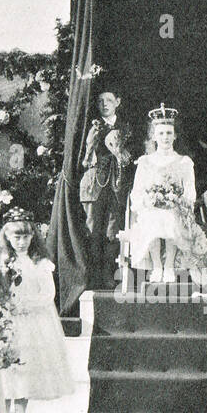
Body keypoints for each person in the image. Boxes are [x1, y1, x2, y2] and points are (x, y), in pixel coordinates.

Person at [0, 209, 74, 413]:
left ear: (33, 237)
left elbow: (48, 294)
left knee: (25, 375)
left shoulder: (40, 263)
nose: (21, 242)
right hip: (6, 323)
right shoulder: (1, 262)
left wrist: (25, 305)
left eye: (26, 236)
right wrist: (5, 304)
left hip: (31, 323)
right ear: (7, 238)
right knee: (5, 375)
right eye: (16, 237)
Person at [126, 105, 207, 285]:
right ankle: (157, 266)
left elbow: (190, 190)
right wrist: (148, 200)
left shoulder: (183, 162)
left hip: (176, 208)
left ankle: (168, 265)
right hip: (151, 208)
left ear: (175, 136)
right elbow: (137, 190)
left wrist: (177, 200)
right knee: (153, 217)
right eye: (161, 133)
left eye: (168, 133)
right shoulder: (145, 162)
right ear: (154, 136)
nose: (165, 137)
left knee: (170, 217)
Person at [80, 89, 134, 289]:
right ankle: (92, 278)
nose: (105, 104)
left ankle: (109, 276)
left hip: (117, 186)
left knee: (113, 232)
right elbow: (83, 159)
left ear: (118, 102)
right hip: (95, 185)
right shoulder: (91, 127)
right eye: (101, 101)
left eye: (109, 100)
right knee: (93, 230)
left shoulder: (127, 128)